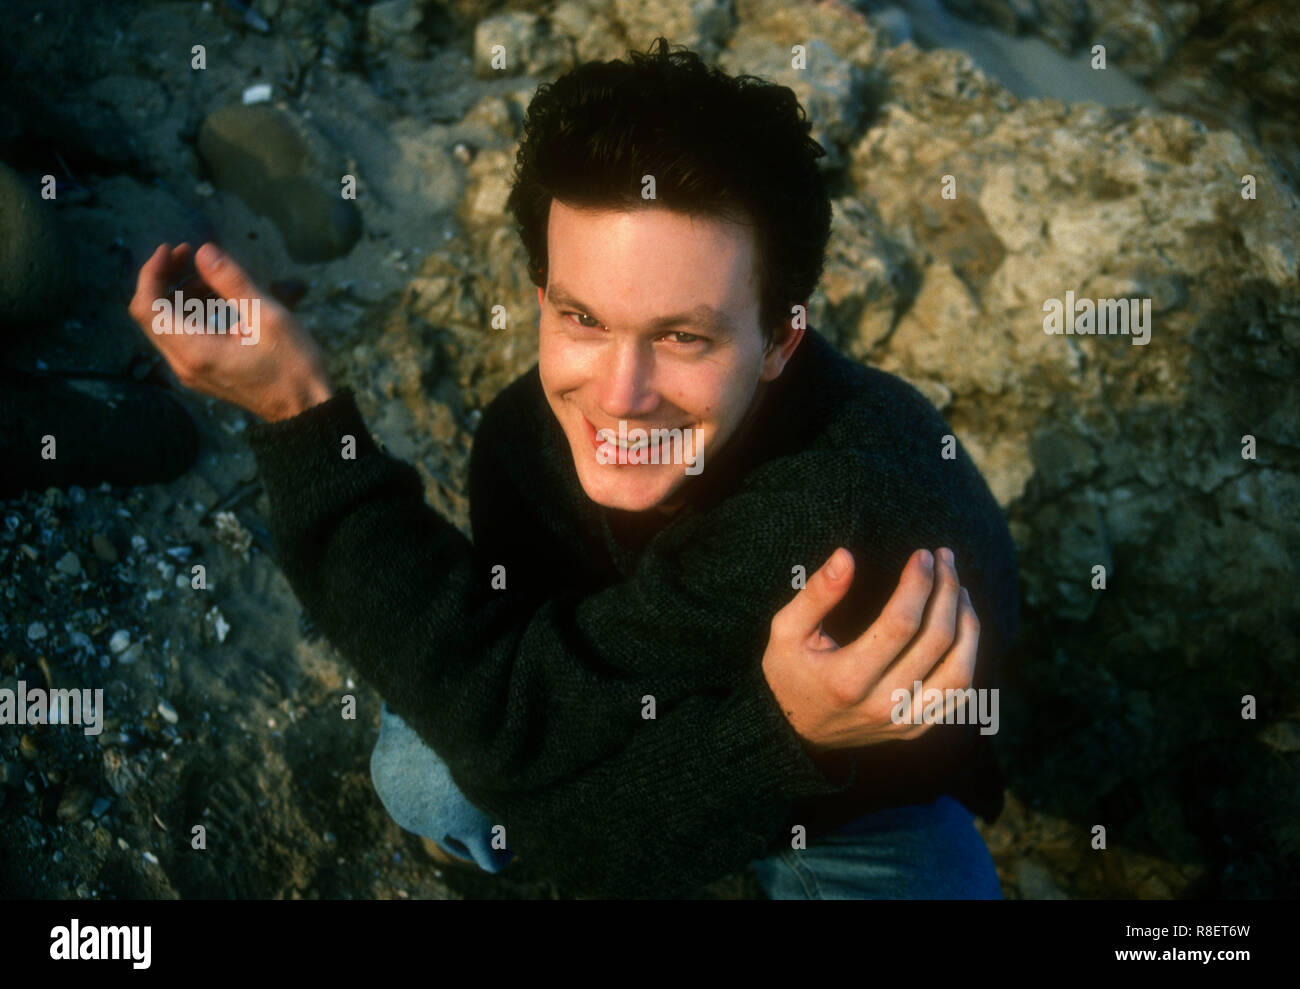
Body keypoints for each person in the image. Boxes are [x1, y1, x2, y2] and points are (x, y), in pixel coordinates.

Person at [128, 38, 1017, 899]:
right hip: (678, 704)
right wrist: (297, 406)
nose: (620, 396)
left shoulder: (847, 507)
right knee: (429, 776)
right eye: (585, 320)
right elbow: (522, 721)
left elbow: (586, 843)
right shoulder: (527, 432)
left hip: (851, 786)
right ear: (543, 297)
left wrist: (783, 736)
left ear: (782, 338)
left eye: (683, 335)